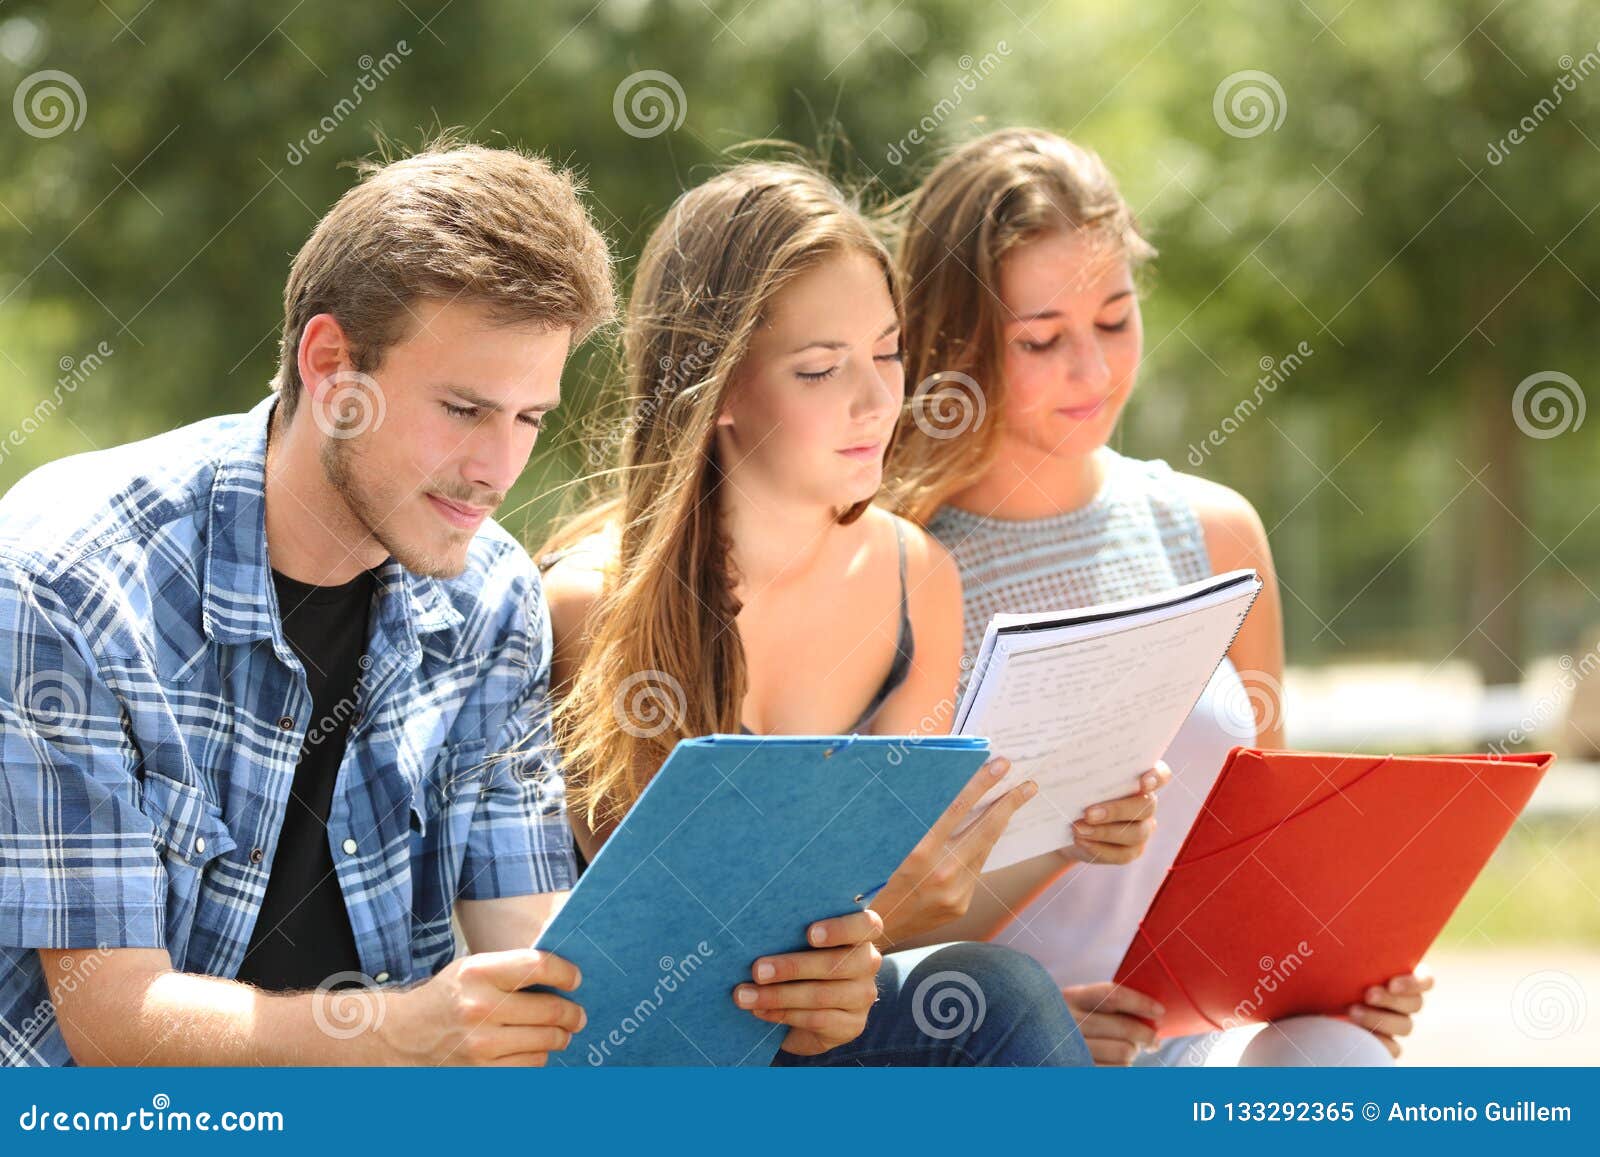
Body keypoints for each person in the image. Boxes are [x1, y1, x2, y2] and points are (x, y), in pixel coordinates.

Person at [1, 139, 872, 1069]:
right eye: (464, 409)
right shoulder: (64, 582)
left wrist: (777, 991)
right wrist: (398, 1033)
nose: (498, 469)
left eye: (529, 418)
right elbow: (111, 1022)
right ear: (332, 366)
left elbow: (536, 956)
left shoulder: (493, 594)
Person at [539, 160, 1161, 1065]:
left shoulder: (916, 577)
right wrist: (867, 939)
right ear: (713, 390)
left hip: (827, 1036)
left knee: (1000, 996)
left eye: (888, 351)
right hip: (658, 1059)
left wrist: (1072, 835)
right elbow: (656, 971)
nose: (877, 401)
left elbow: (913, 920)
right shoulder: (590, 609)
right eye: (822, 368)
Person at [886, 127, 1432, 1066]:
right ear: (954, 343)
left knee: (1343, 1060)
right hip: (997, 1064)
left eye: (1115, 318)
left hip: (1193, 1049)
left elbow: (1269, 859)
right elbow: (867, 925)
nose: (1094, 371)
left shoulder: (1215, 532)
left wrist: (1346, 978)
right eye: (1042, 339)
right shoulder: (894, 568)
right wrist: (1030, 1018)